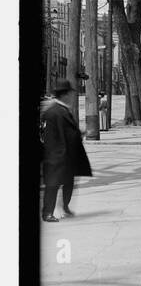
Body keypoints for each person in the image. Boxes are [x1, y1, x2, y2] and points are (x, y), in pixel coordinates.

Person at [41, 79, 92, 221]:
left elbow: (67, 131)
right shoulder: (55, 112)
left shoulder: (61, 110)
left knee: (68, 182)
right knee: (53, 184)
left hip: (66, 155)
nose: (70, 96)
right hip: (57, 154)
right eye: (69, 93)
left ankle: (65, 207)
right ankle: (47, 213)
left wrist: (77, 133)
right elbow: (51, 136)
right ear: (63, 95)